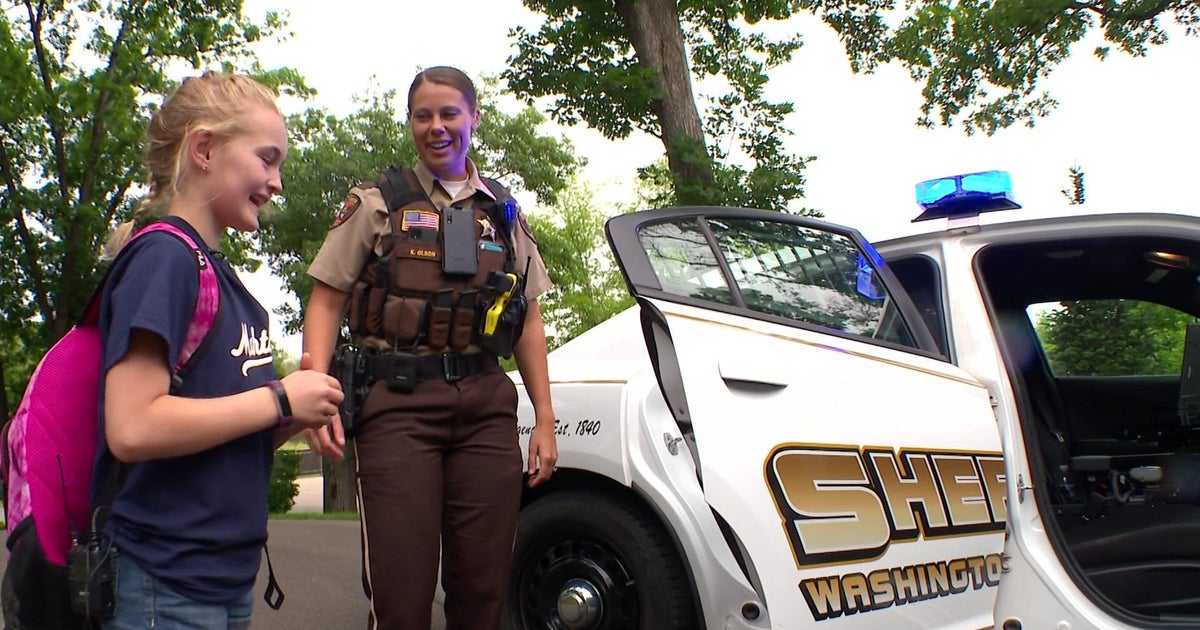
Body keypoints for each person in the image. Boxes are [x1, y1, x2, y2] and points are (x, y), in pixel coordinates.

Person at [302, 65, 559, 630]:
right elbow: (326, 299)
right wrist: (315, 391)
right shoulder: (376, 203)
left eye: (449, 114)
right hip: (398, 406)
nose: (436, 127)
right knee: (402, 593)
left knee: (483, 590)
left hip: (486, 409)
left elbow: (529, 318)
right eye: (424, 115)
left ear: (474, 119)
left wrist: (544, 418)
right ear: (411, 123)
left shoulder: (503, 211)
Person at [95, 71, 344, 630]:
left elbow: (220, 426)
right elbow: (132, 427)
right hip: (165, 584)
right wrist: (280, 400)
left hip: (224, 582)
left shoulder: (225, 282)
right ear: (205, 149)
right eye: (267, 158)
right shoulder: (165, 258)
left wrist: (300, 411)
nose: (277, 181)